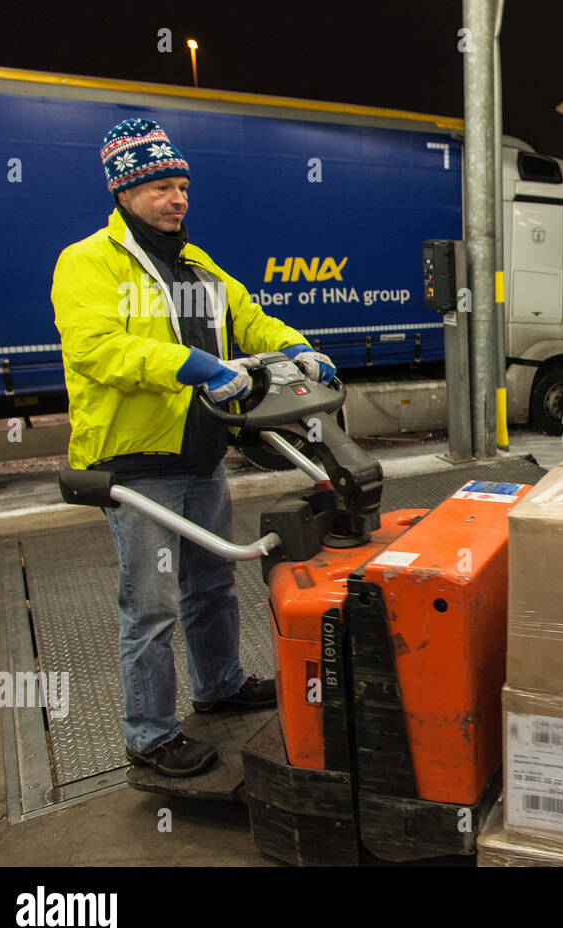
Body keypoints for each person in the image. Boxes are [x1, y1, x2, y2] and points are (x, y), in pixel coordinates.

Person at [51, 118, 338, 777]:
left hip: (201, 452)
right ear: (124, 193)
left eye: (181, 185)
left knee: (212, 584)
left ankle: (219, 687)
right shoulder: (88, 261)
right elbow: (97, 350)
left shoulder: (197, 263)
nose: (176, 197)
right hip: (135, 465)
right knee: (149, 607)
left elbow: (250, 317)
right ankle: (149, 737)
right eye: (159, 186)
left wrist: (296, 346)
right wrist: (193, 365)